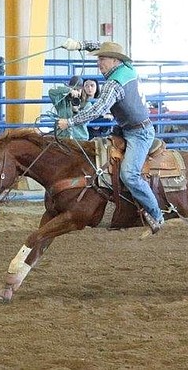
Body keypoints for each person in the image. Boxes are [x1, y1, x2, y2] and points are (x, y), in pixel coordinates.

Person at [56, 42, 165, 236]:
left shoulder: (114, 84)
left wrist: (70, 122)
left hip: (139, 133)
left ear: (115, 60)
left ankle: (156, 214)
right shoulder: (127, 69)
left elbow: (99, 109)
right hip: (126, 128)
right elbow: (104, 45)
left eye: (102, 59)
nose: (99, 63)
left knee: (129, 174)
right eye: (98, 59)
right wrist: (80, 45)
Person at [48, 75, 88, 141]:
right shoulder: (62, 100)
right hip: (63, 136)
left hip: (80, 137)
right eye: (74, 89)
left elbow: (85, 121)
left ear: (82, 90)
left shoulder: (86, 104)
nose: (76, 92)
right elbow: (51, 92)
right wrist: (68, 90)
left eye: (78, 90)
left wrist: (76, 112)